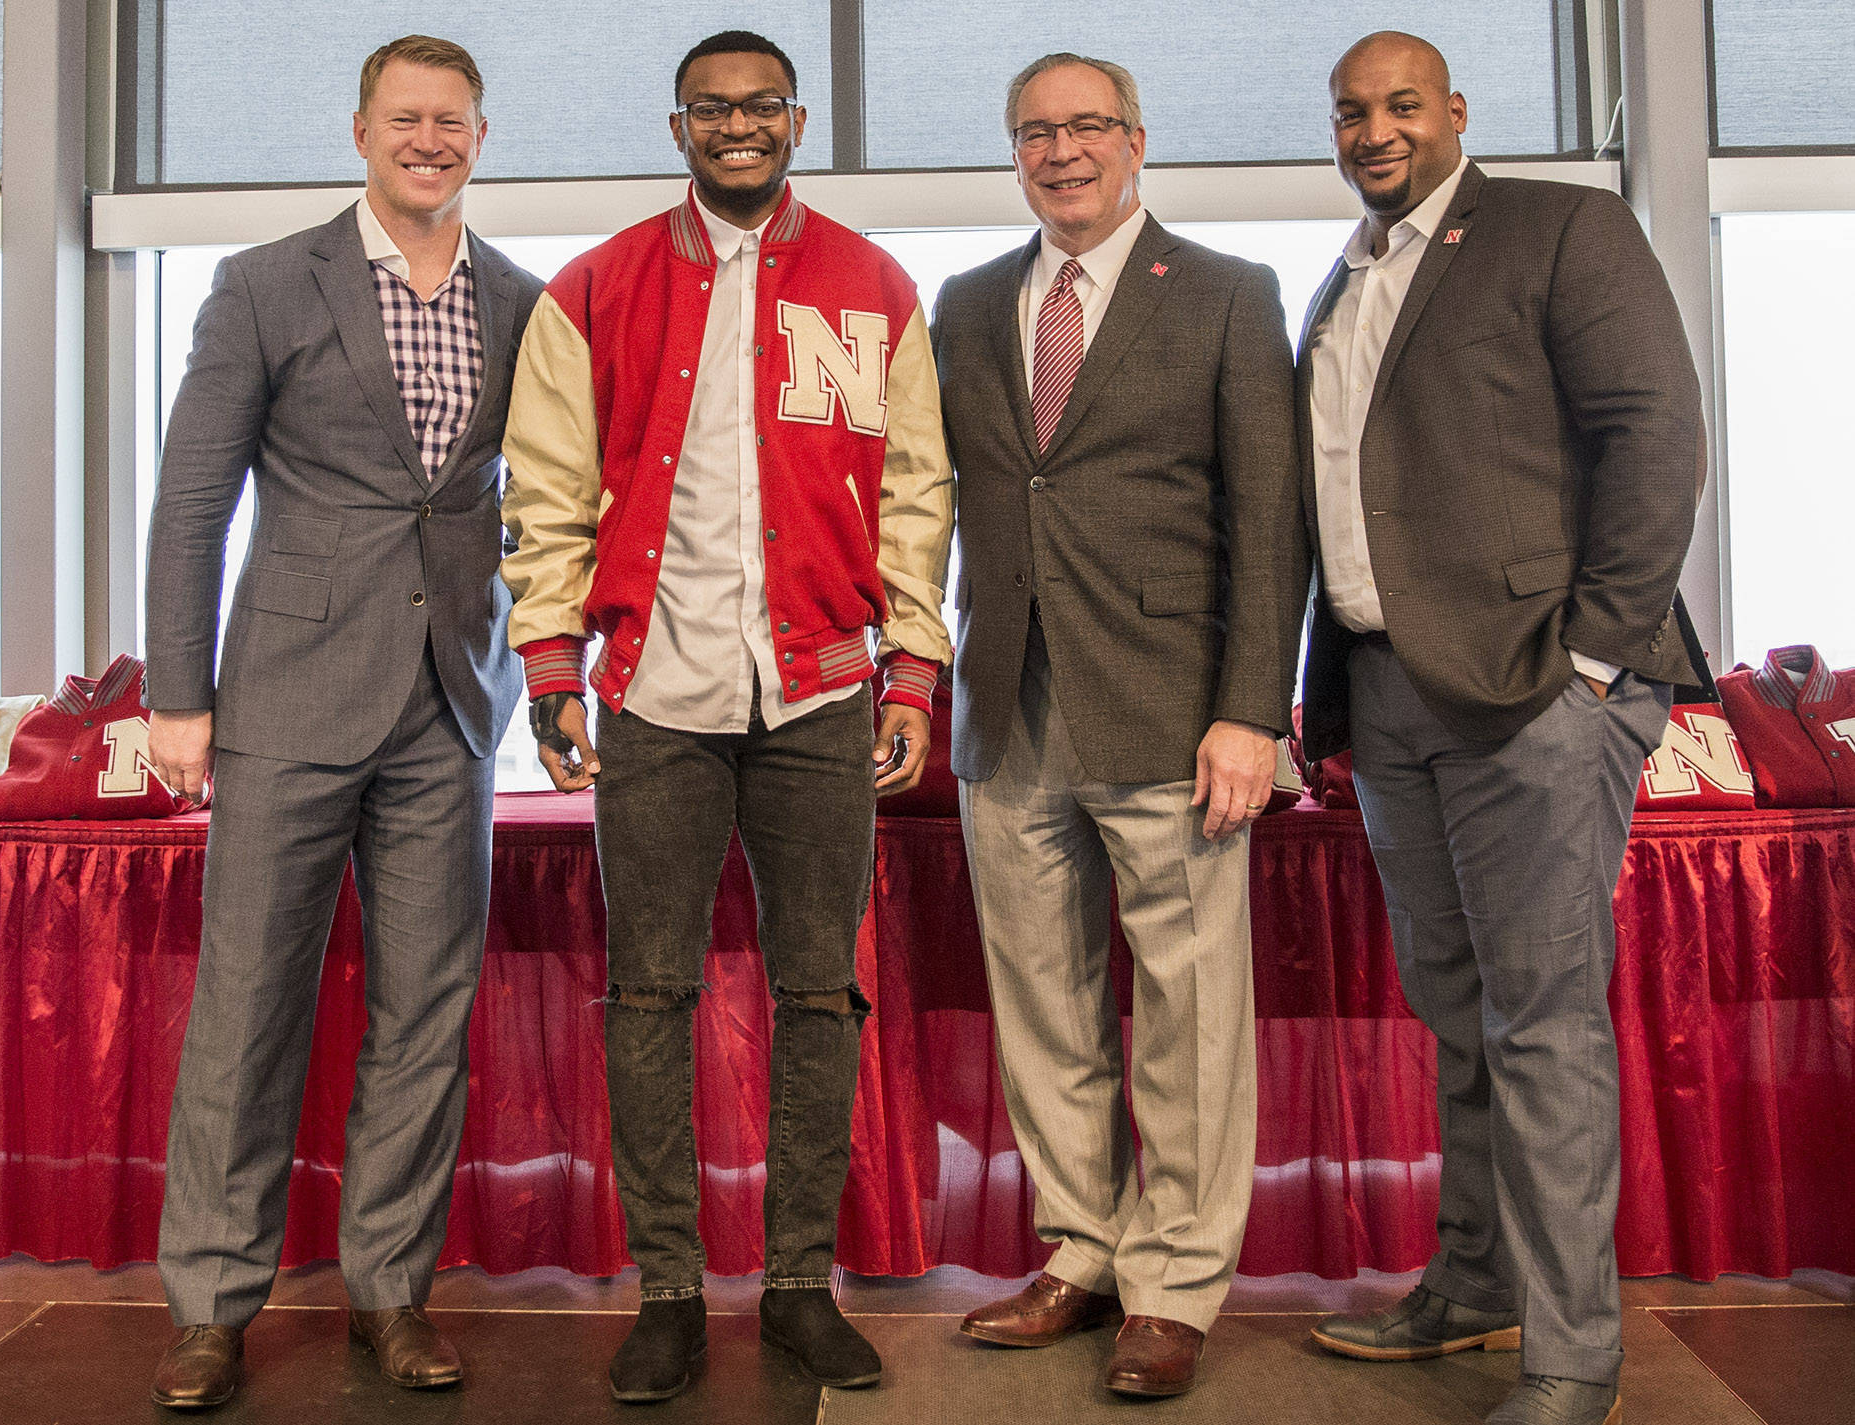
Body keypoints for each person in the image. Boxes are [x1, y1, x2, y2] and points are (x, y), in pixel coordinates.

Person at [498, 29, 953, 1403]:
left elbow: (918, 491)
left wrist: (915, 664)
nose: (740, 125)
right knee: (649, 992)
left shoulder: (875, 286)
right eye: (715, 107)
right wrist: (552, 660)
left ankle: (801, 1282)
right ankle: (673, 1291)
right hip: (654, 696)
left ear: (798, 120)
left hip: (819, 687)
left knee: (821, 990)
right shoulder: (594, 288)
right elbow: (546, 485)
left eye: (763, 106)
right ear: (680, 122)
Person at [1297, 32, 1706, 1425]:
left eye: (1401, 104)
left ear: (1455, 113)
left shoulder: (1561, 227)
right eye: (1353, 111)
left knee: (1540, 1023)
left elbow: (1655, 431)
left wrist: (1594, 659)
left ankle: (1572, 1358)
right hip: (1390, 690)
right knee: (1457, 1008)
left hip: (1538, 685)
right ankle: (1475, 1282)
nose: (1375, 129)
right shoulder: (1343, 283)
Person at [142, 34, 542, 1409]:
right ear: (360, 130)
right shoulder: (262, 285)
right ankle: (210, 1306)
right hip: (287, 700)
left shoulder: (527, 302)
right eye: (404, 119)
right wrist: (176, 698)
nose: (428, 140)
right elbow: (193, 503)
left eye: (452, 121)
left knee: (424, 1016)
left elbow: (537, 511)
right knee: (249, 1008)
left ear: (482, 136)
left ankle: (390, 1291)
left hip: (453, 706)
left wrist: (550, 683)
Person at [932, 52, 1308, 1400]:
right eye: (1037, 131)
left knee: (1189, 1014)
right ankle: (1082, 1248)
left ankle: (1176, 1281)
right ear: (1014, 152)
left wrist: (1250, 710)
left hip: (1173, 712)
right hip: (1008, 708)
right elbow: (948, 497)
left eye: (1088, 125)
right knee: (1043, 1005)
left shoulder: (1223, 293)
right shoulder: (968, 304)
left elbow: (1271, 522)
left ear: (1138, 141)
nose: (1063, 150)